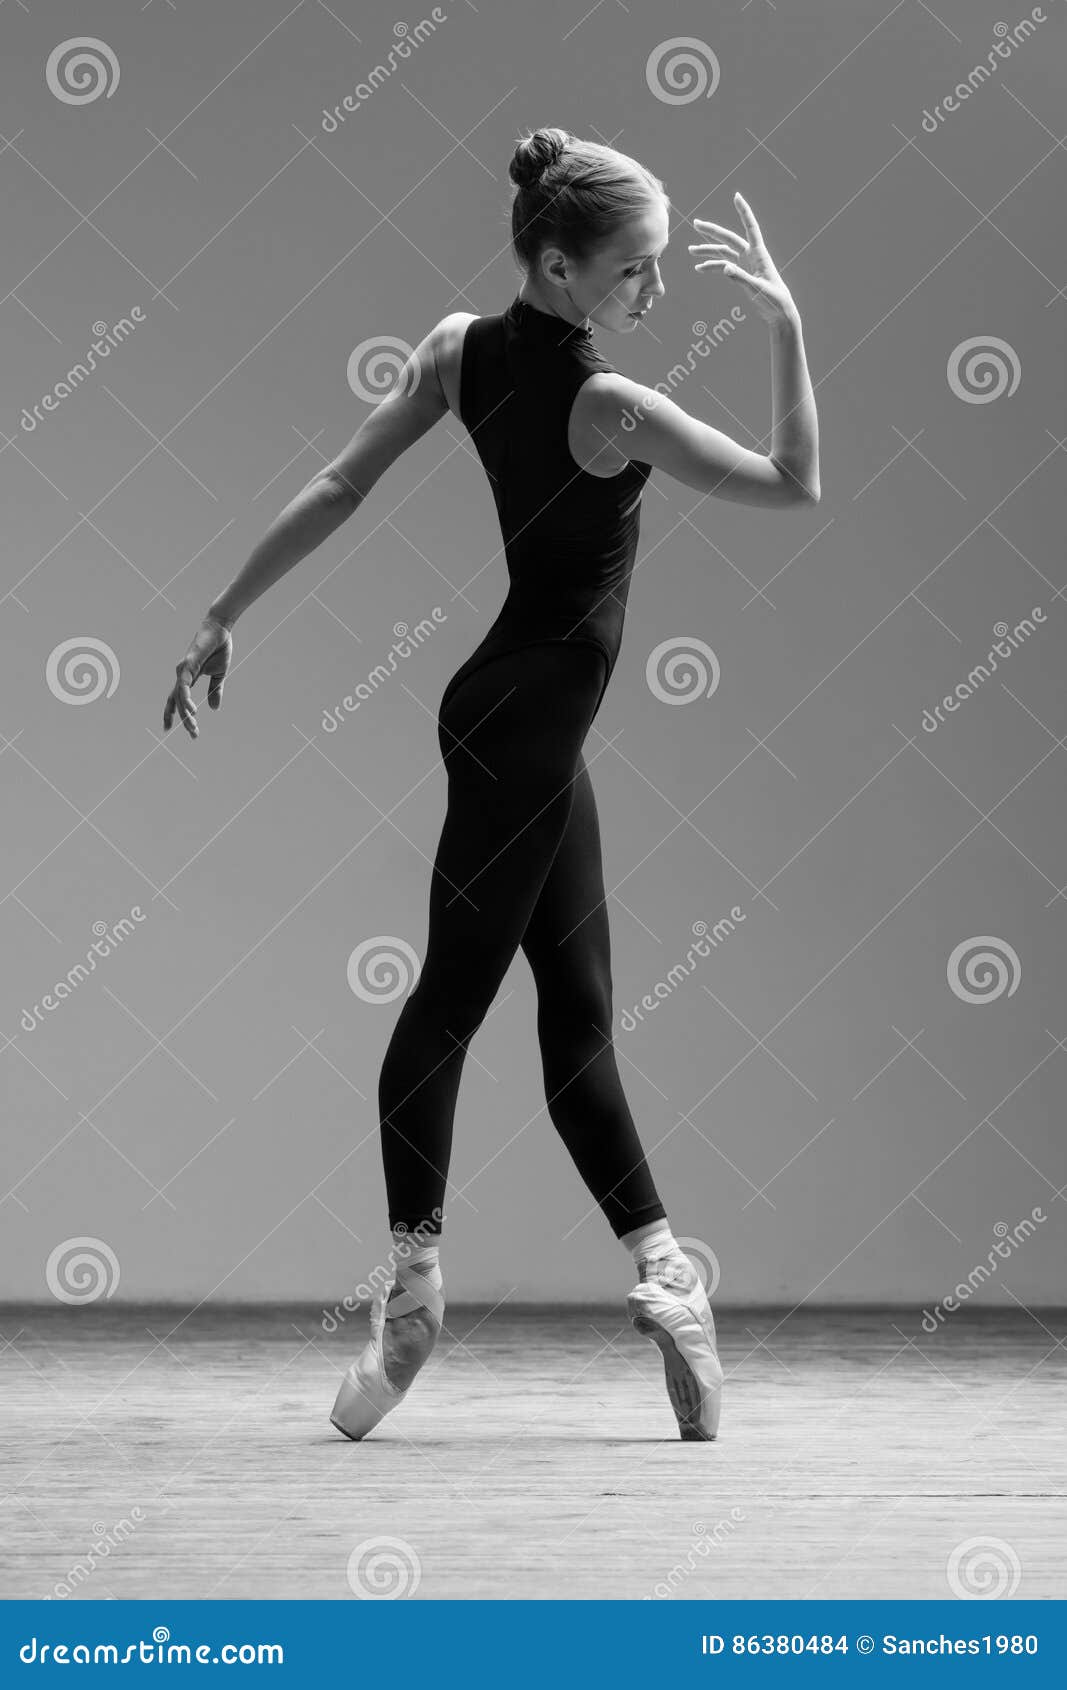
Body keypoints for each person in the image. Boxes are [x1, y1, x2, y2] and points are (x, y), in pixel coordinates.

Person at [163, 126, 820, 1444]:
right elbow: (797, 483)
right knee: (448, 1008)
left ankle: (666, 1273)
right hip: (525, 726)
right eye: (636, 269)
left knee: (574, 1018)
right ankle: (413, 1295)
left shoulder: (460, 349)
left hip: (520, 726)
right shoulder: (614, 410)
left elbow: (346, 482)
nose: (655, 292)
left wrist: (225, 609)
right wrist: (788, 329)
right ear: (563, 269)